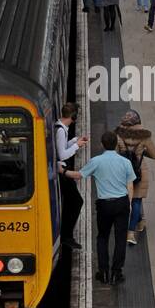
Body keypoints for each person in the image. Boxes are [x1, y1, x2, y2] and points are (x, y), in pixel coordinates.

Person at [67, 130, 134, 285]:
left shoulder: (96, 161)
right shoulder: (125, 162)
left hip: (105, 205)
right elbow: (130, 184)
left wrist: (63, 171)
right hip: (122, 202)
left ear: (102, 144)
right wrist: (128, 203)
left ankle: (103, 272)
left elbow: (78, 175)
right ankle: (117, 273)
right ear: (116, 144)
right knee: (120, 239)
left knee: (102, 237)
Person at [115, 109, 155, 245]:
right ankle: (131, 232)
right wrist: (140, 154)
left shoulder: (118, 135)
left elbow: (115, 154)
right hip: (139, 170)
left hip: (123, 171)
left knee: (131, 200)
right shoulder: (144, 136)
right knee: (137, 201)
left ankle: (140, 221)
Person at [55, 102, 88, 249]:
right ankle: (66, 236)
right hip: (62, 171)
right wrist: (77, 146)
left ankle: (66, 235)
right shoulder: (60, 130)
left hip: (62, 170)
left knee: (72, 201)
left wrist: (75, 140)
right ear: (73, 116)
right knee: (76, 201)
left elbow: (61, 147)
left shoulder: (61, 127)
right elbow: (62, 154)